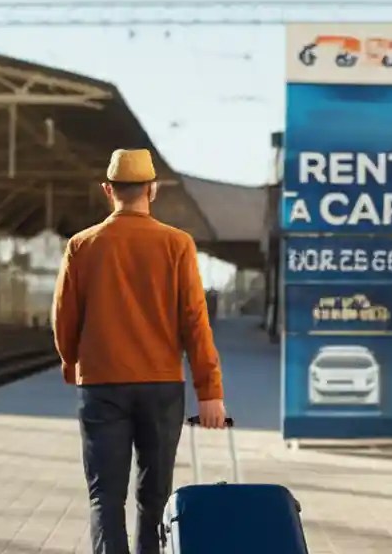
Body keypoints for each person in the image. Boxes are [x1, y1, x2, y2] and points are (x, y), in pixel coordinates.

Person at [52, 148, 227, 554]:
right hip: (162, 387)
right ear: (153, 190)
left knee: (105, 498)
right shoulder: (177, 244)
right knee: (156, 499)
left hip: (101, 385)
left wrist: (70, 360)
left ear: (107, 190)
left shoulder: (83, 245)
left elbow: (64, 316)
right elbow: (194, 322)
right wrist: (210, 391)